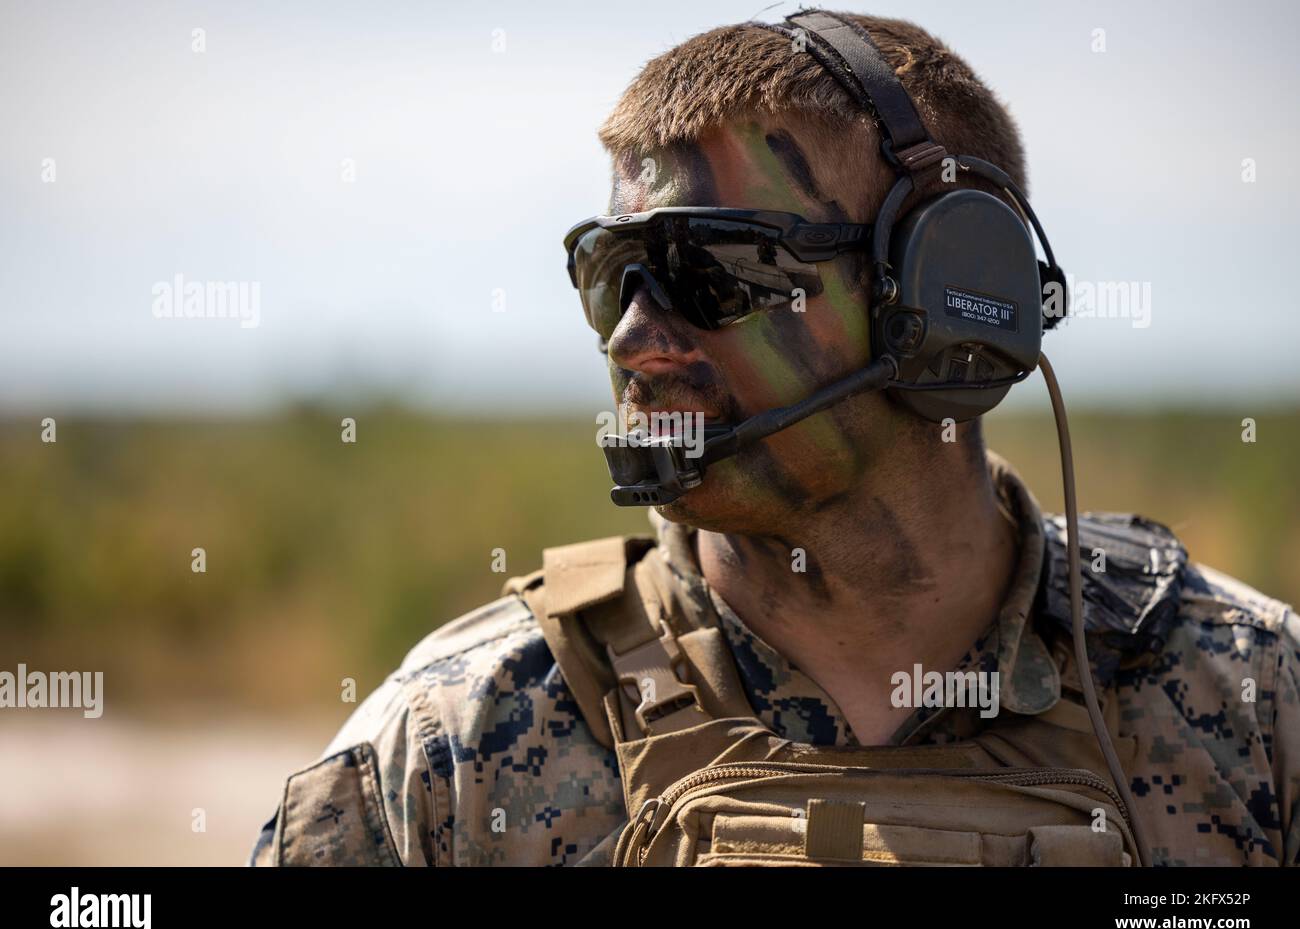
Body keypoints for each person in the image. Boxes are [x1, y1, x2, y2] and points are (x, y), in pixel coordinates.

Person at [249, 10, 1299, 867]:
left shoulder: (1246, 702)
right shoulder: (464, 737)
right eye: (613, 275)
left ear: (946, 296)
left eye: (717, 271)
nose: (633, 339)